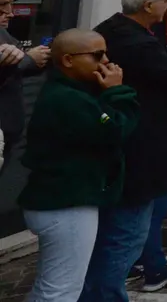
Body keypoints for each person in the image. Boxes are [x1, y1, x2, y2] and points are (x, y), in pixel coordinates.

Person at [84, 0, 167, 302]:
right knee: (127, 234)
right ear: (149, 6)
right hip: (140, 146)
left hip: (126, 141)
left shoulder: (110, 30)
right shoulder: (139, 43)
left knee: (115, 231)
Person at [20, 30, 137, 302]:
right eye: (97, 55)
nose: (106, 61)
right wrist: (119, 92)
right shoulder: (67, 99)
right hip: (66, 204)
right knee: (61, 289)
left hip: (63, 199)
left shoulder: (72, 92)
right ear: (69, 60)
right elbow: (115, 130)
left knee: (51, 286)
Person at [0, 0, 50, 172]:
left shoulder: (3, 31)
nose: (10, 12)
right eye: (2, 5)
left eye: (12, 3)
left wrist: (39, 58)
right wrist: (29, 59)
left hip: (8, 132)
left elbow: (14, 63)